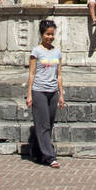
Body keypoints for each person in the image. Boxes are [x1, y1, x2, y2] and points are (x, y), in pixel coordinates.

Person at [26, 18, 65, 167]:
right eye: (47, 34)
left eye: (52, 34)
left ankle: (36, 152)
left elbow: (59, 74)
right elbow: (31, 74)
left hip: (53, 91)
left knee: (48, 123)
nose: (50, 37)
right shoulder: (36, 52)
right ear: (42, 34)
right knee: (43, 125)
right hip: (39, 91)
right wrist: (29, 94)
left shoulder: (57, 52)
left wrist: (61, 94)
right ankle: (50, 156)